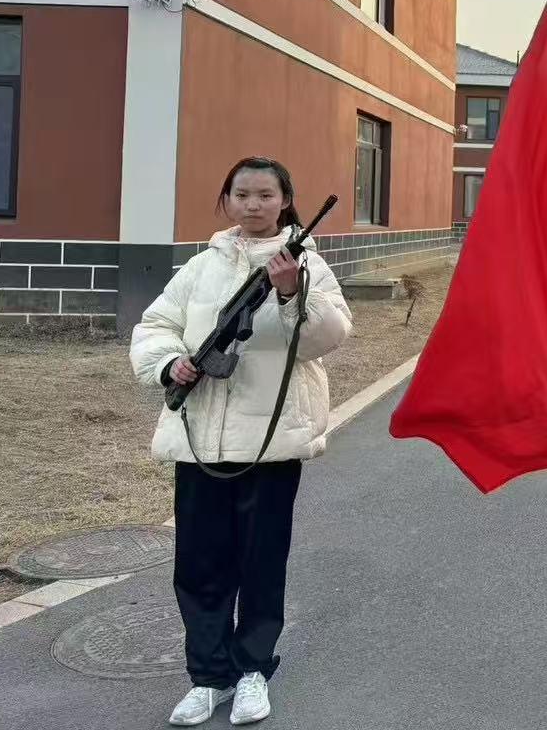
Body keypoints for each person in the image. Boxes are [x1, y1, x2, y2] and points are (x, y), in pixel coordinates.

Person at [130, 157, 352, 727]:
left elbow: (329, 336)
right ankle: (209, 676)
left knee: (260, 562)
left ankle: (252, 669)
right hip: (200, 440)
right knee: (199, 565)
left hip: (270, 445)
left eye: (266, 194)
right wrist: (171, 364)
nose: (254, 204)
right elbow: (155, 326)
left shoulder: (306, 264)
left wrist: (291, 292)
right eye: (242, 194)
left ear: (285, 201)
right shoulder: (200, 267)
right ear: (226, 200)